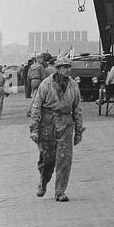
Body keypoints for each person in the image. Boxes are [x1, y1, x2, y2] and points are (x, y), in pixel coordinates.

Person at [29, 56, 83, 200]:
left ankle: (60, 191)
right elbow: (36, 106)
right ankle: (43, 180)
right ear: (58, 69)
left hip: (66, 122)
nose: (68, 69)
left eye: (69, 66)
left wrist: (79, 131)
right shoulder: (46, 84)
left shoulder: (73, 85)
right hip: (48, 123)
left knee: (64, 159)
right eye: (65, 67)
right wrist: (34, 129)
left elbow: (77, 108)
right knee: (47, 159)